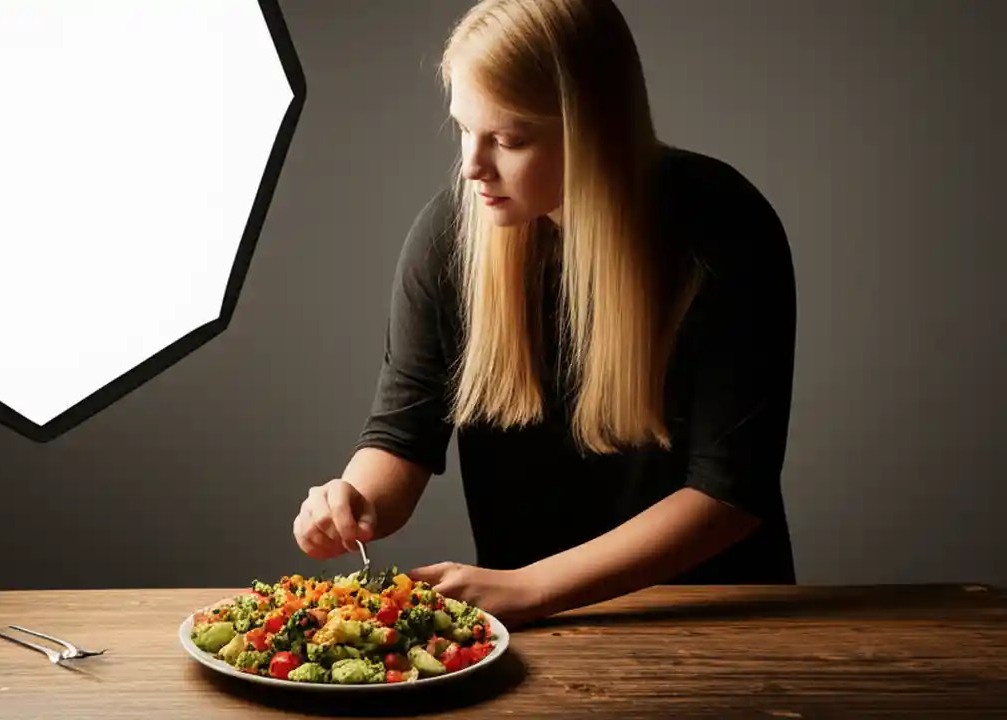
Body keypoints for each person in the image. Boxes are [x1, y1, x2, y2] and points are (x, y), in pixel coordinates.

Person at [292, 0, 797, 629]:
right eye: (463, 130)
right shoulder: (448, 236)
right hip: (535, 629)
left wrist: (530, 588)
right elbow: (402, 434)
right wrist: (352, 498)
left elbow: (729, 495)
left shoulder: (724, 229)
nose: (472, 167)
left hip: (719, 619)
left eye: (508, 139)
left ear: (592, 130)